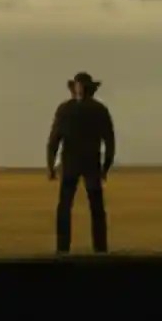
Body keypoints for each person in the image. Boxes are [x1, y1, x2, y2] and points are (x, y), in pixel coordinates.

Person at [47, 71, 115, 254]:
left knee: (64, 207)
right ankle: (100, 249)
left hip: (69, 164)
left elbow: (54, 140)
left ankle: (62, 250)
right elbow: (109, 141)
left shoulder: (64, 109)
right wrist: (105, 168)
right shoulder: (100, 110)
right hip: (92, 164)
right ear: (92, 90)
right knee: (97, 208)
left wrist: (51, 166)